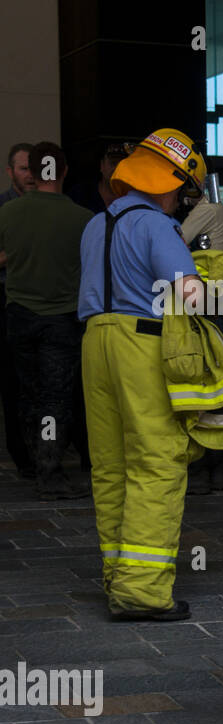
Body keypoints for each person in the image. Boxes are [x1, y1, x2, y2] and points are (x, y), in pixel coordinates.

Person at [79, 127, 209, 623]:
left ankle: (119, 576)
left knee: (110, 464)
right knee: (157, 461)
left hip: (96, 342)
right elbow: (188, 294)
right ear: (166, 184)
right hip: (142, 342)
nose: (179, 202)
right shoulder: (157, 227)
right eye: (181, 192)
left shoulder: (96, 224)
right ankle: (145, 592)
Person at [0, 141, 93, 499]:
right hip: (62, 319)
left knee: (30, 394)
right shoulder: (83, 219)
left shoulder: (8, 213)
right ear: (64, 171)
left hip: (18, 316)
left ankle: (38, 463)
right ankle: (51, 471)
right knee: (56, 400)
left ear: (34, 172)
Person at [178, 178, 223, 496]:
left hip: (208, 309)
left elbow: (177, 240)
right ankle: (215, 465)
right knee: (219, 385)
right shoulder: (218, 211)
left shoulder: (207, 211)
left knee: (204, 384)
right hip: (219, 307)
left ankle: (208, 463)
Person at [0, 142, 35, 477]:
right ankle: (23, 455)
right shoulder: (2, 207)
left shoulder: (50, 206)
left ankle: (48, 448)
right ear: (11, 172)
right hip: (9, 303)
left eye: (34, 168)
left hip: (50, 305)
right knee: (14, 383)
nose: (30, 174)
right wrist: (21, 249)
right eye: (23, 168)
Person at [69, 141, 131, 215]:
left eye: (122, 164)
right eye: (113, 163)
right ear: (102, 165)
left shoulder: (132, 199)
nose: (117, 169)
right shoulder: (80, 195)